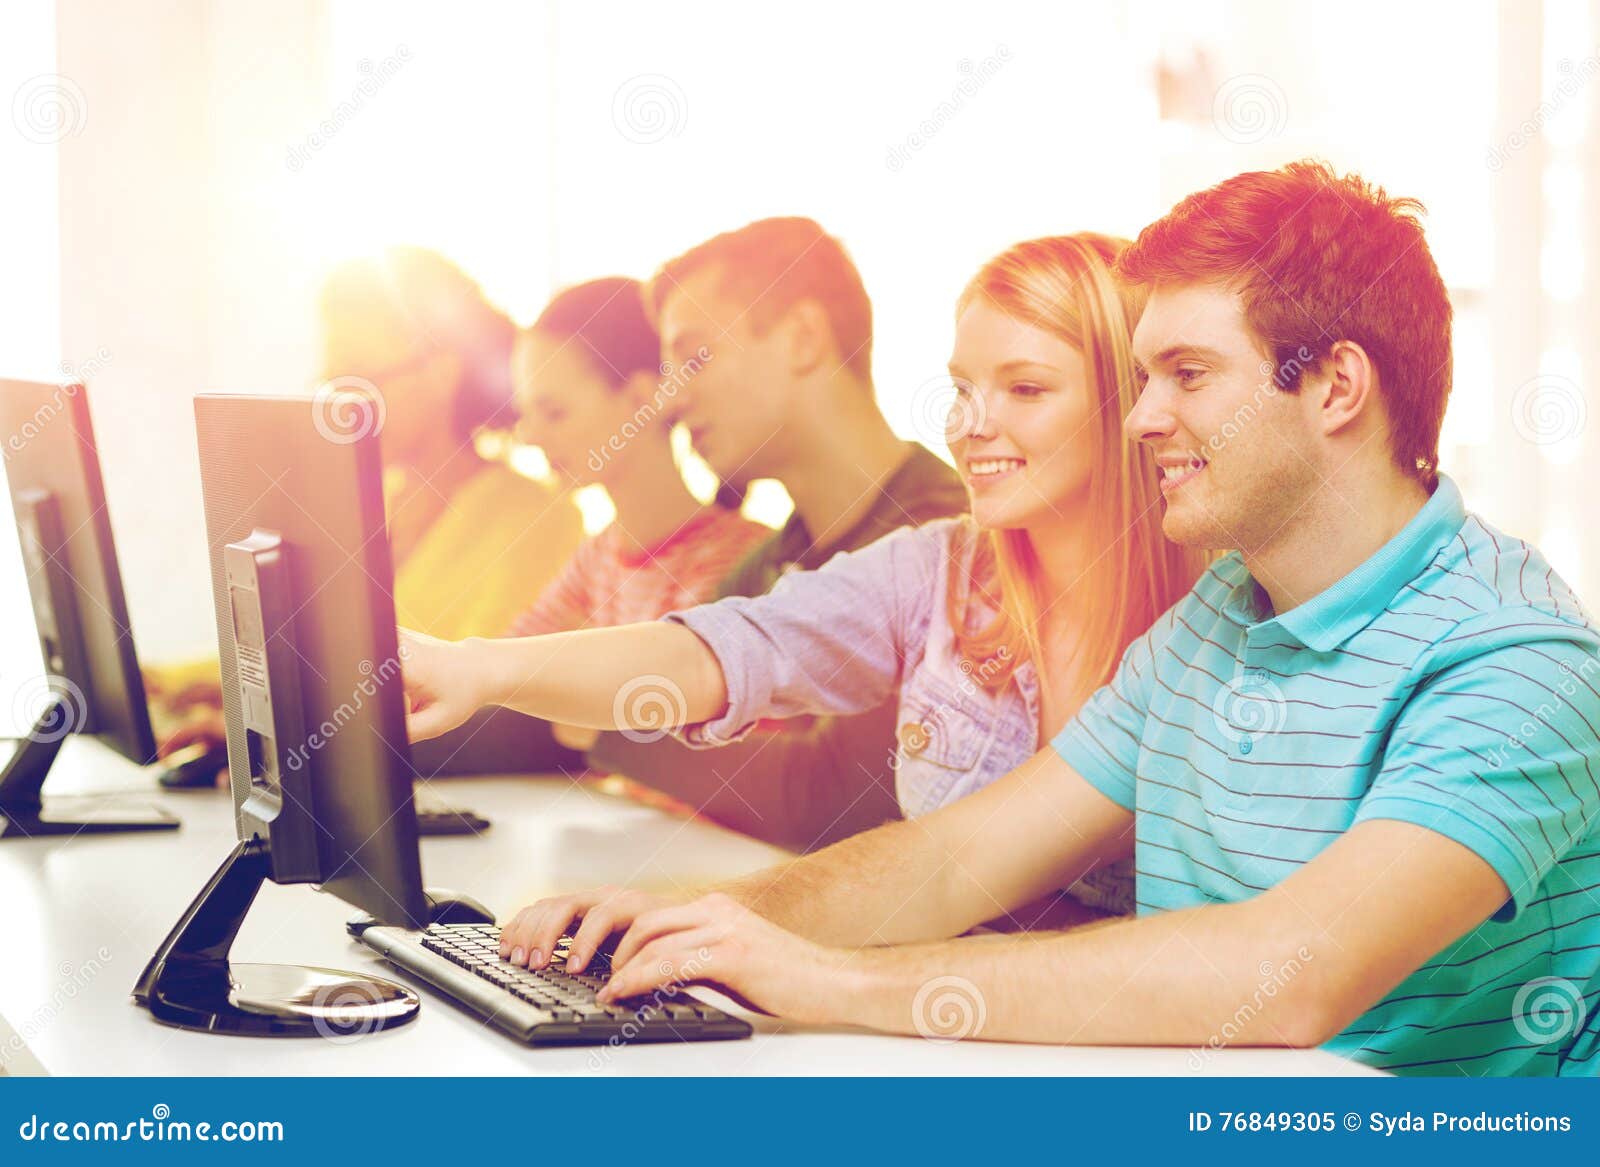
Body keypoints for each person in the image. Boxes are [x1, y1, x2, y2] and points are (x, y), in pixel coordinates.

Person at [417, 163, 1600, 1076]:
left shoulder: (1511, 662)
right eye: (1140, 378)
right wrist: (704, 923)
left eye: (1187, 375)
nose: (1142, 420)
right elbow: (955, 857)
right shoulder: (1216, 625)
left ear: (1336, 386)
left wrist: (837, 983)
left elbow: (1287, 976)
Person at [400, 232, 1204, 921]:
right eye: (962, 389)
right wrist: (475, 666)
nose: (968, 424)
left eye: (1024, 388)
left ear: (1130, 402)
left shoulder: (1214, 620)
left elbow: (839, 807)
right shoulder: (937, 568)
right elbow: (718, 651)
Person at [578, 218, 970, 849]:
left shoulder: (947, 541)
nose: (672, 403)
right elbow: (663, 680)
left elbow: (835, 797)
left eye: (697, 357)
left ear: (803, 338)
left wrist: (598, 729)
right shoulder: (778, 556)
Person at [153, 247, 584, 759]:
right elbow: (306, 657)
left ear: (442, 372)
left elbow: (460, 701)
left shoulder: (531, 518)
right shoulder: (376, 509)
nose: (336, 404)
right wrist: (164, 682)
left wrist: (268, 730)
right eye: (331, 381)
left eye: (357, 377)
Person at [409, 277, 768, 778]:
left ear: (643, 397)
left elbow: (668, 737)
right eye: (527, 413)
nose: (531, 436)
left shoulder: (740, 559)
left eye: (554, 412)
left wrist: (580, 711)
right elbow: (509, 682)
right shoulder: (598, 557)